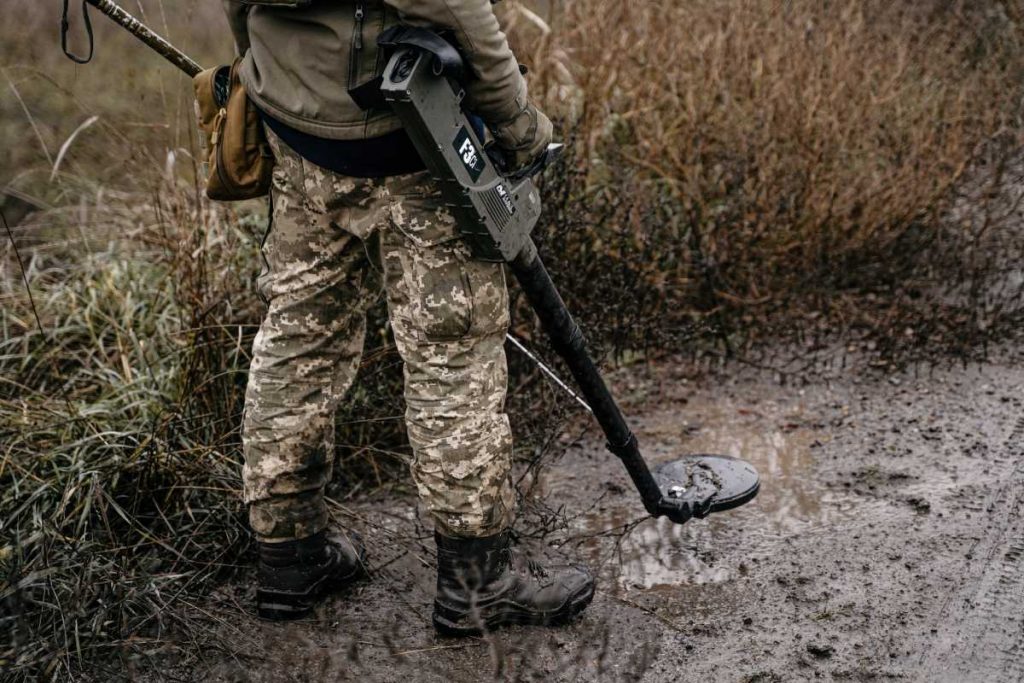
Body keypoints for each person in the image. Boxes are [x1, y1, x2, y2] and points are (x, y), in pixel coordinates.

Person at [222, 0, 595, 635]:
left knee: (298, 336)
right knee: (451, 349)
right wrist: (522, 126)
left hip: (294, 126)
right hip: (406, 137)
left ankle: (289, 557)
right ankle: (476, 583)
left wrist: (276, 78)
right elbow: (458, 10)